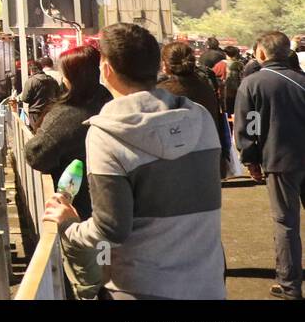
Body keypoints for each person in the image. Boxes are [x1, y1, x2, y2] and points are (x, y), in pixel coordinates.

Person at [45, 22, 225, 300]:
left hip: (139, 288)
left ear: (106, 69)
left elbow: (111, 228)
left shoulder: (106, 132)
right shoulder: (200, 118)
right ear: (157, 66)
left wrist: (70, 226)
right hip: (207, 286)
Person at [23, 45, 111, 299]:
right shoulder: (109, 102)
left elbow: (36, 154)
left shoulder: (66, 115)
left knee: (84, 282)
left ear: (69, 77)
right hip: (118, 211)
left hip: (78, 213)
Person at [233, 31, 305, 299]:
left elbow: (250, 124)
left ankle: (290, 286)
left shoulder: (252, 83)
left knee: (286, 224)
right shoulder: (302, 80)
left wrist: (250, 158)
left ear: (261, 53)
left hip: (279, 161)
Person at [158, 41, 231, 178]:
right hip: (208, 160)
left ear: (165, 65)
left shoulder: (161, 92)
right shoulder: (206, 89)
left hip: (174, 166)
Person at [19, 56, 62, 132]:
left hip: (35, 113)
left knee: (36, 133)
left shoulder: (31, 81)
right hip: (50, 111)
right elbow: (58, 95)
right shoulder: (51, 79)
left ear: (31, 70)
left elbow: (25, 99)